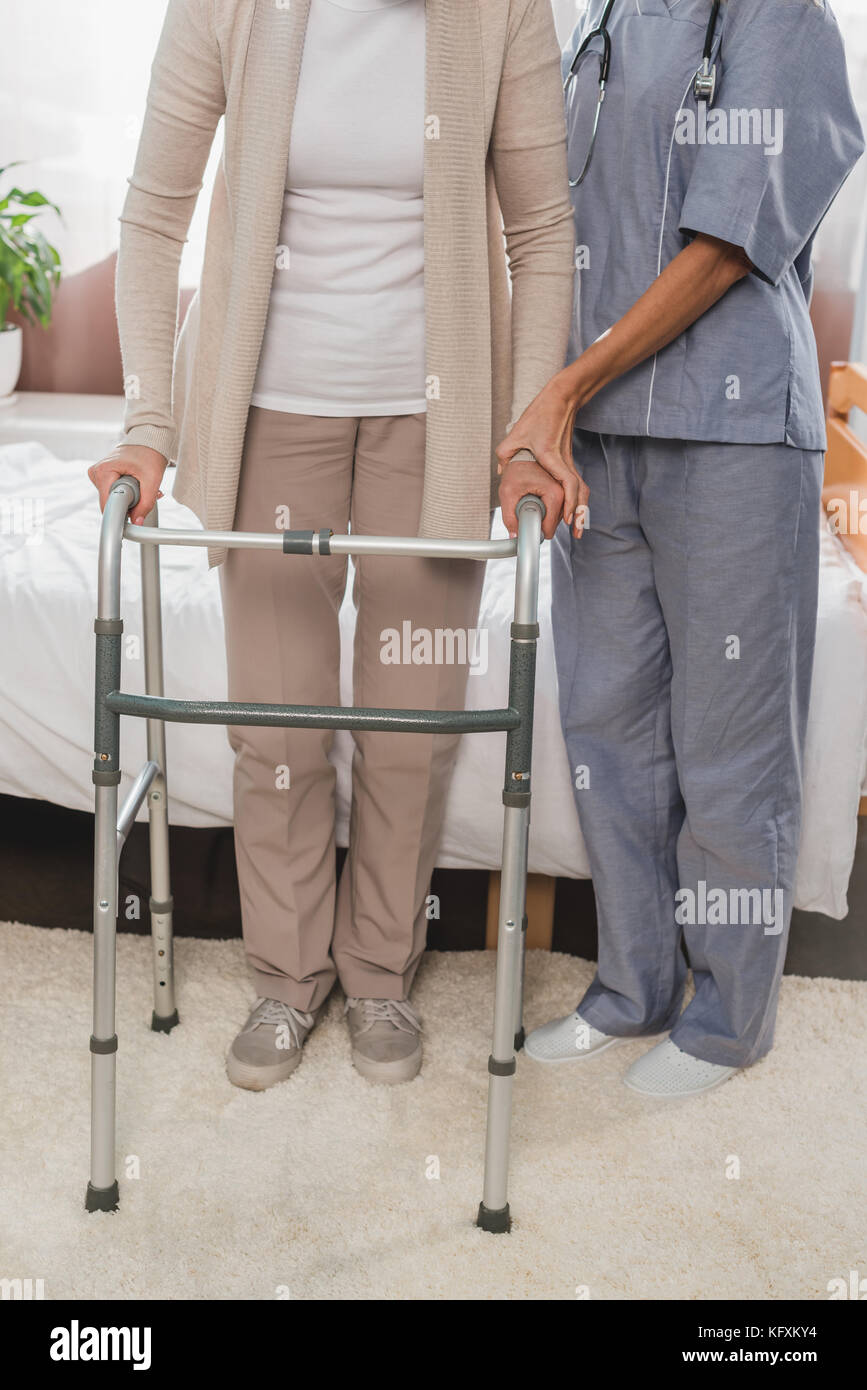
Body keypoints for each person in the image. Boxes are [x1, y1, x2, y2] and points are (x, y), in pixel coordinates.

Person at [88, 0, 574, 1088]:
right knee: (278, 724)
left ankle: (381, 976)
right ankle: (284, 976)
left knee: (409, 729)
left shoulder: (503, 12)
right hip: (266, 417)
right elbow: (152, 218)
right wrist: (148, 423)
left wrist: (527, 429)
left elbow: (542, 234)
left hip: (435, 422)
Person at [497, 0, 864, 1096]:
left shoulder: (782, 21)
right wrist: (548, 404)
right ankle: (633, 985)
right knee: (608, 726)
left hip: (732, 429)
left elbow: (728, 243)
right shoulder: (601, 19)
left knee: (728, 737)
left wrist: (561, 386)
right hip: (601, 438)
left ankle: (726, 1018)